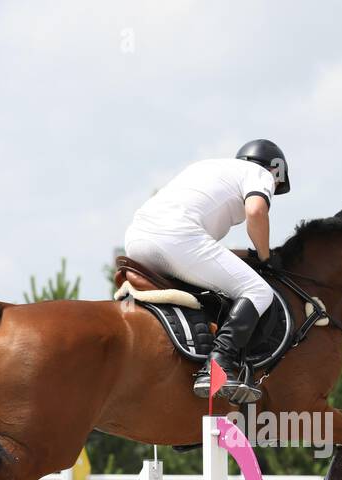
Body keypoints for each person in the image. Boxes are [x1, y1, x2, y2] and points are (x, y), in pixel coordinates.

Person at [123, 139, 291, 401]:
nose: (273, 190)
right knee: (258, 290)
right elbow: (256, 212)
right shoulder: (260, 174)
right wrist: (265, 257)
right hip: (176, 238)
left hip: (137, 241)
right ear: (275, 170)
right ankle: (218, 364)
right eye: (276, 185)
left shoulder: (207, 168)